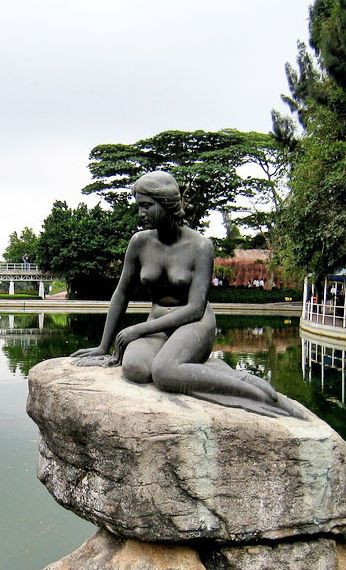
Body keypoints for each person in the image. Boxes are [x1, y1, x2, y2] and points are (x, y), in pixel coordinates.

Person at [71, 171, 303, 418]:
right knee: (134, 369)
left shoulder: (201, 246)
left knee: (164, 372)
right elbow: (121, 294)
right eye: (139, 206)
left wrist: (137, 330)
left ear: (167, 203)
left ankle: (251, 390)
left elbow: (195, 308)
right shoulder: (139, 242)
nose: (141, 214)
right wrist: (103, 346)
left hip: (195, 324)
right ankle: (205, 369)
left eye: (147, 206)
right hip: (158, 326)